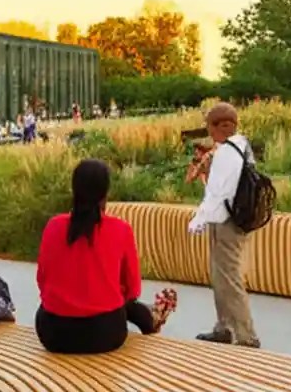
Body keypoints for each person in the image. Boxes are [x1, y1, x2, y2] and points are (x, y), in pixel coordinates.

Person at [35, 158, 177, 354]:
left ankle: (149, 316)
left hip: (54, 335)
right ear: (105, 193)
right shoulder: (120, 229)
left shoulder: (53, 226)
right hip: (105, 335)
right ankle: (150, 318)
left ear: (73, 190)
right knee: (121, 303)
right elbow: (133, 290)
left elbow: (42, 280)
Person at [187, 102, 259, 348]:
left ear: (217, 127)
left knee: (228, 276)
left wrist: (199, 219)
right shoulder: (241, 146)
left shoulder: (227, 153)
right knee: (221, 275)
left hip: (226, 221)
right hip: (236, 218)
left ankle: (245, 334)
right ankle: (225, 327)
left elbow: (218, 193)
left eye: (209, 125)